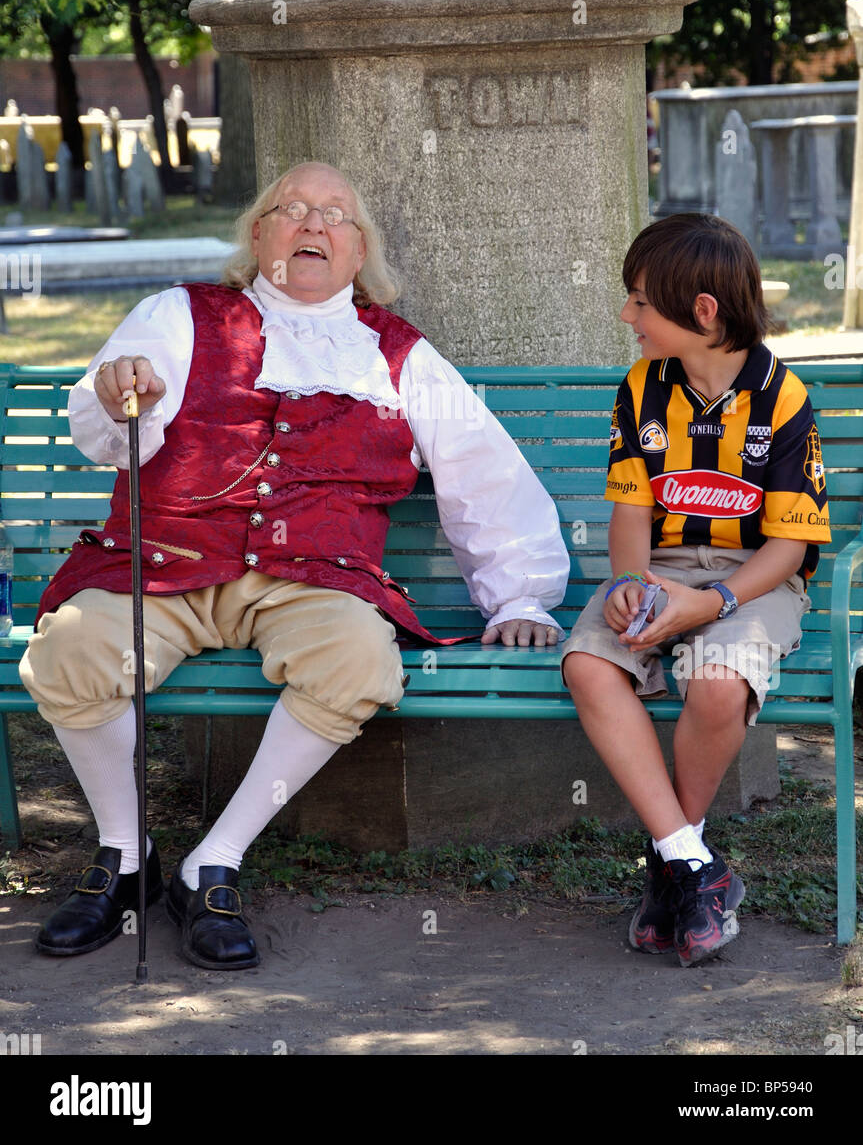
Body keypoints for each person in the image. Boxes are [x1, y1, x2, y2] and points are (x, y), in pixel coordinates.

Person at [21, 161, 570, 970]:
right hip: (169, 563)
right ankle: (126, 854)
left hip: (312, 578)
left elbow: (483, 475)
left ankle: (216, 861)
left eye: (335, 216)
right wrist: (116, 391)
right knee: (70, 650)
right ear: (258, 234)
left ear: (358, 253)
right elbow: (109, 423)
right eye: (292, 209)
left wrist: (519, 594)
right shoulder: (179, 316)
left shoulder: (399, 355)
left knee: (355, 661)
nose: (312, 225)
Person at [562, 212, 830, 967]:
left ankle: (669, 869)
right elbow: (630, 510)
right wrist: (627, 582)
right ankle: (693, 864)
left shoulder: (780, 398)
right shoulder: (643, 386)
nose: (627, 316)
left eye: (640, 301)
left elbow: (787, 548)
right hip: (658, 569)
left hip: (750, 583)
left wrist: (710, 605)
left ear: (702, 312)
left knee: (715, 687)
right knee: (587, 662)